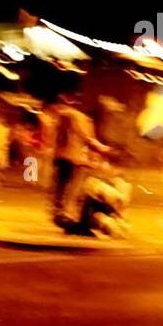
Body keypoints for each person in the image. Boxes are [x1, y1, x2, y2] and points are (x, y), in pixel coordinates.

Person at [51, 94, 109, 227]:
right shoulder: (80, 117)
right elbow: (86, 138)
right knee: (73, 187)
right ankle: (66, 213)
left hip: (60, 155)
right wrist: (102, 149)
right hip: (73, 156)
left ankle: (57, 211)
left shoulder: (60, 115)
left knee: (61, 184)